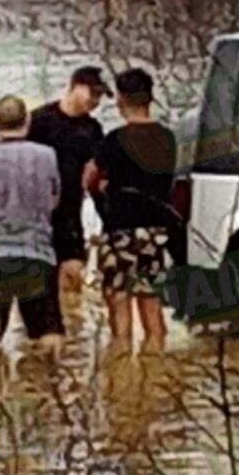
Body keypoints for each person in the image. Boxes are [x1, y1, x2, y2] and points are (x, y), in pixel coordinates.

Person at [84, 68, 176, 357]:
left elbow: (89, 178)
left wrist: (103, 193)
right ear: (150, 98)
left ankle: (123, 380)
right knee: (152, 309)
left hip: (119, 231)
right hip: (155, 233)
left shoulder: (114, 140)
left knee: (119, 313)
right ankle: (154, 372)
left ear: (121, 100)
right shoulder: (168, 139)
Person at [0, 96, 64, 361]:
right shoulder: (47, 156)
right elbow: (54, 199)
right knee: (47, 333)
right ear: (28, 120)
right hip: (37, 252)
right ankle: (47, 391)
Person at [29, 66, 112, 308]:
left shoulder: (93, 130)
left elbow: (97, 177)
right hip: (37, 217)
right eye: (92, 94)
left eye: (99, 97)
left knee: (73, 279)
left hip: (71, 215)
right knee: (36, 291)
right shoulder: (38, 122)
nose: (95, 101)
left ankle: (75, 339)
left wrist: (107, 217)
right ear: (74, 86)